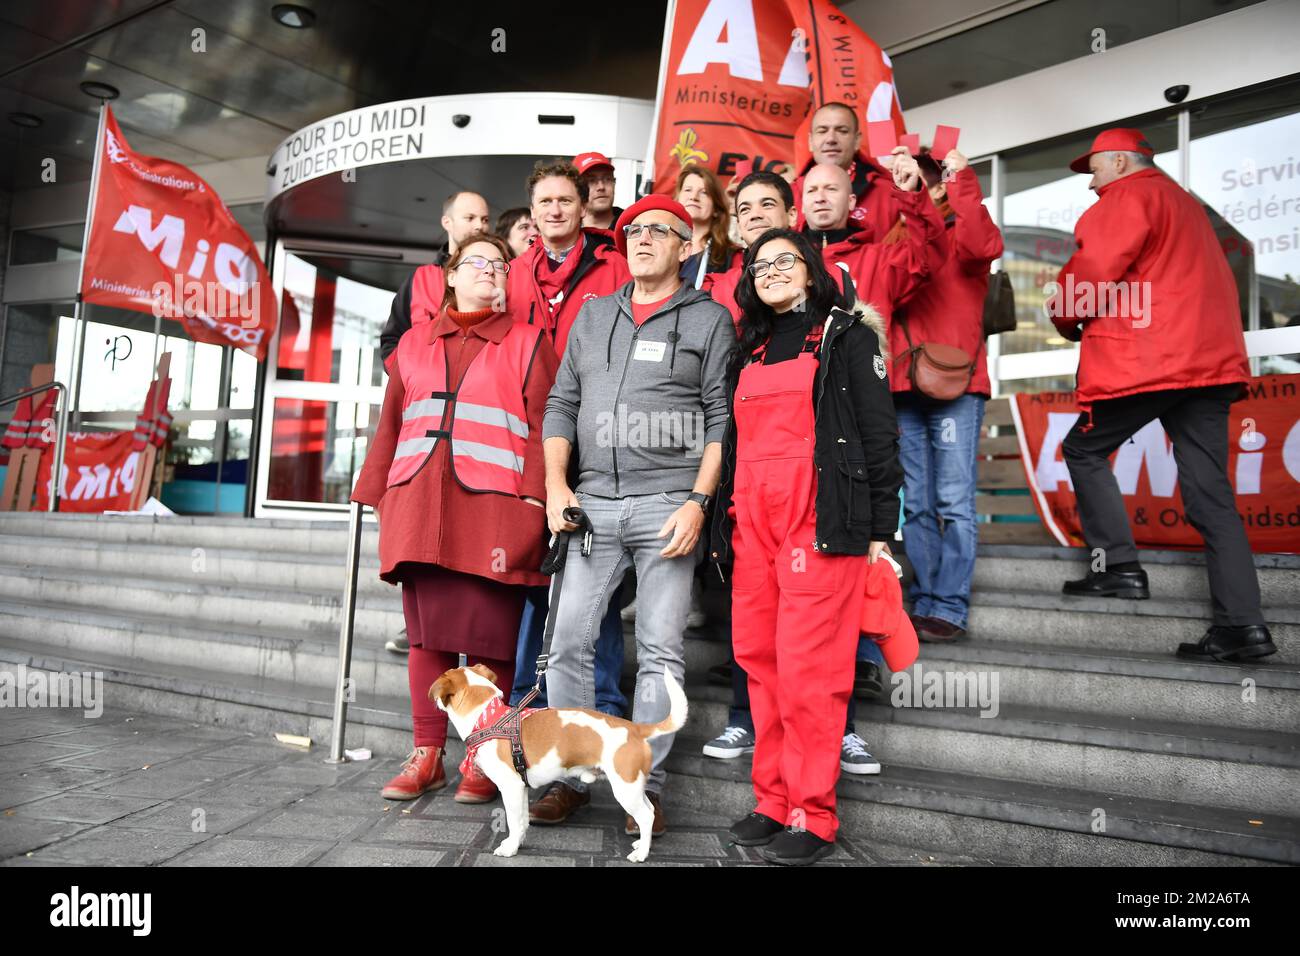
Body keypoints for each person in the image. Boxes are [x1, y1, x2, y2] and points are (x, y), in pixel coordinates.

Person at [529, 194, 735, 833]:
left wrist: (700, 502)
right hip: (590, 507)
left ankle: (641, 782)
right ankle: (571, 777)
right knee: (565, 644)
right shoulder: (593, 318)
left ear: (685, 246)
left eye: (659, 231)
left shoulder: (709, 319)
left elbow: (720, 419)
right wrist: (557, 488)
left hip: (670, 505)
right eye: (634, 231)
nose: (643, 239)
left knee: (660, 651)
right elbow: (561, 405)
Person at [710, 227, 902, 865]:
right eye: (758, 265)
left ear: (811, 268)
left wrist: (880, 530)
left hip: (820, 523)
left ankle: (812, 814)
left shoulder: (848, 336)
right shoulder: (752, 347)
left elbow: (878, 434)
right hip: (754, 526)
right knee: (758, 662)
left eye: (784, 260)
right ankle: (771, 801)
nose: (770, 272)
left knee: (808, 673)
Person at [1050, 128, 1275, 663]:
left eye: (1096, 170)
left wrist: (1062, 314)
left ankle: (1120, 568)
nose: (1092, 184)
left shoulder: (1128, 196)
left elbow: (1094, 274)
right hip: (1208, 365)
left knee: (1082, 449)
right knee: (1212, 496)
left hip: (1150, 363)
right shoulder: (1189, 207)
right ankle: (1242, 627)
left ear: (1123, 164)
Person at [350, 233, 558, 804]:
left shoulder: (529, 340)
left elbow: (545, 426)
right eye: (477, 263)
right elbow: (391, 424)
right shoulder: (413, 343)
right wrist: (377, 495)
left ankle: (483, 755)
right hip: (417, 503)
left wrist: (538, 500)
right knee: (427, 639)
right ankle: (426, 754)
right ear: (450, 275)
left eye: (499, 264)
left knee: (490, 636)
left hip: (496, 509)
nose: (490, 271)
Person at [505, 159, 633, 719]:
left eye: (565, 201)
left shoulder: (617, 266)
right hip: (525, 440)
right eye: (544, 203)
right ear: (532, 214)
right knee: (532, 575)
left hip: (597, 441)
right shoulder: (513, 272)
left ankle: (600, 707)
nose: (554, 210)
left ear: (585, 207)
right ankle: (527, 705)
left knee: (592, 575)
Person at [891, 147, 1003, 644]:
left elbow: (986, 245)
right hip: (903, 384)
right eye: (918, 176)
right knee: (915, 502)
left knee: (954, 501)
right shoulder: (899, 235)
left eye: (931, 175)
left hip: (956, 385)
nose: (923, 181)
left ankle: (950, 605)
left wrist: (963, 178)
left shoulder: (965, 233)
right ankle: (925, 600)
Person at [378, 190, 491, 368]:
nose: (480, 226)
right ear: (447, 222)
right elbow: (392, 341)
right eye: (470, 218)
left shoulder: (497, 276)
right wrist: (409, 379)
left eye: (485, 219)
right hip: (424, 391)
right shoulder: (419, 280)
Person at [791, 102, 900, 242]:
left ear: (857, 140)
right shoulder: (788, 194)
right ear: (810, 141)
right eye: (822, 131)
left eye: (842, 131)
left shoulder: (890, 193)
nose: (831, 139)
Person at [676, 165, 739, 287]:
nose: (693, 197)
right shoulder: (659, 244)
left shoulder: (731, 256)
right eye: (688, 190)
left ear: (716, 208)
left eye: (704, 192)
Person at [575, 151, 622, 232]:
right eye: (591, 181)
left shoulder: (631, 225)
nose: (601, 187)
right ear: (576, 188)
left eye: (607, 179)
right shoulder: (567, 231)